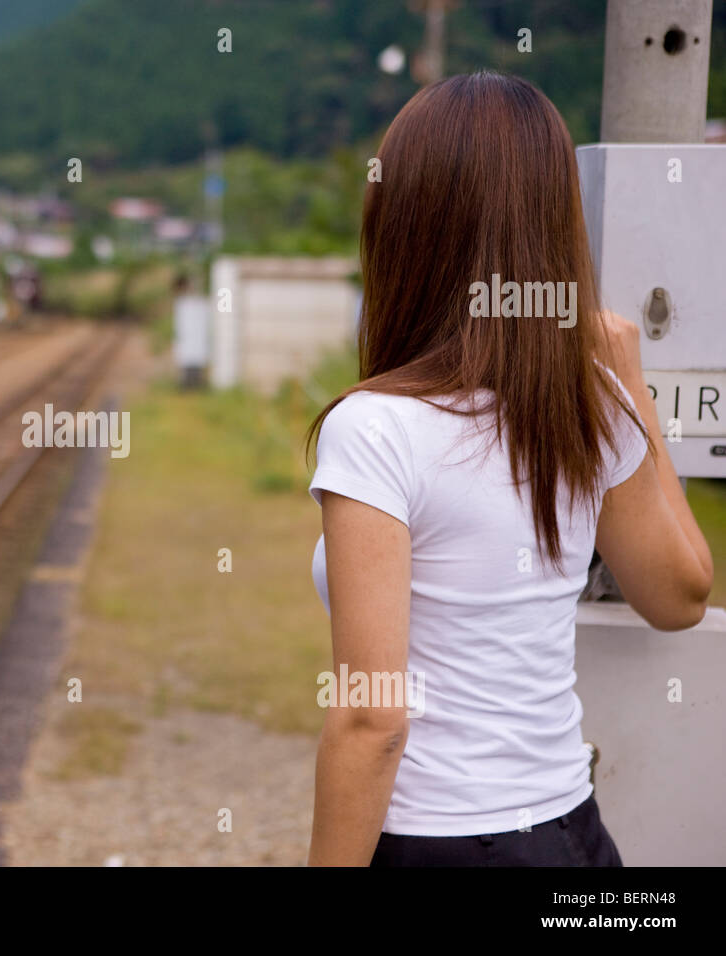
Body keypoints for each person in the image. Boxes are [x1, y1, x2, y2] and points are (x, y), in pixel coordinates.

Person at [304, 72, 714, 867]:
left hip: (439, 844)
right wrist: (631, 389)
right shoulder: (588, 406)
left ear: (404, 225)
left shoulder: (377, 427)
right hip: (573, 838)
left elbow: (372, 720)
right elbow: (681, 594)